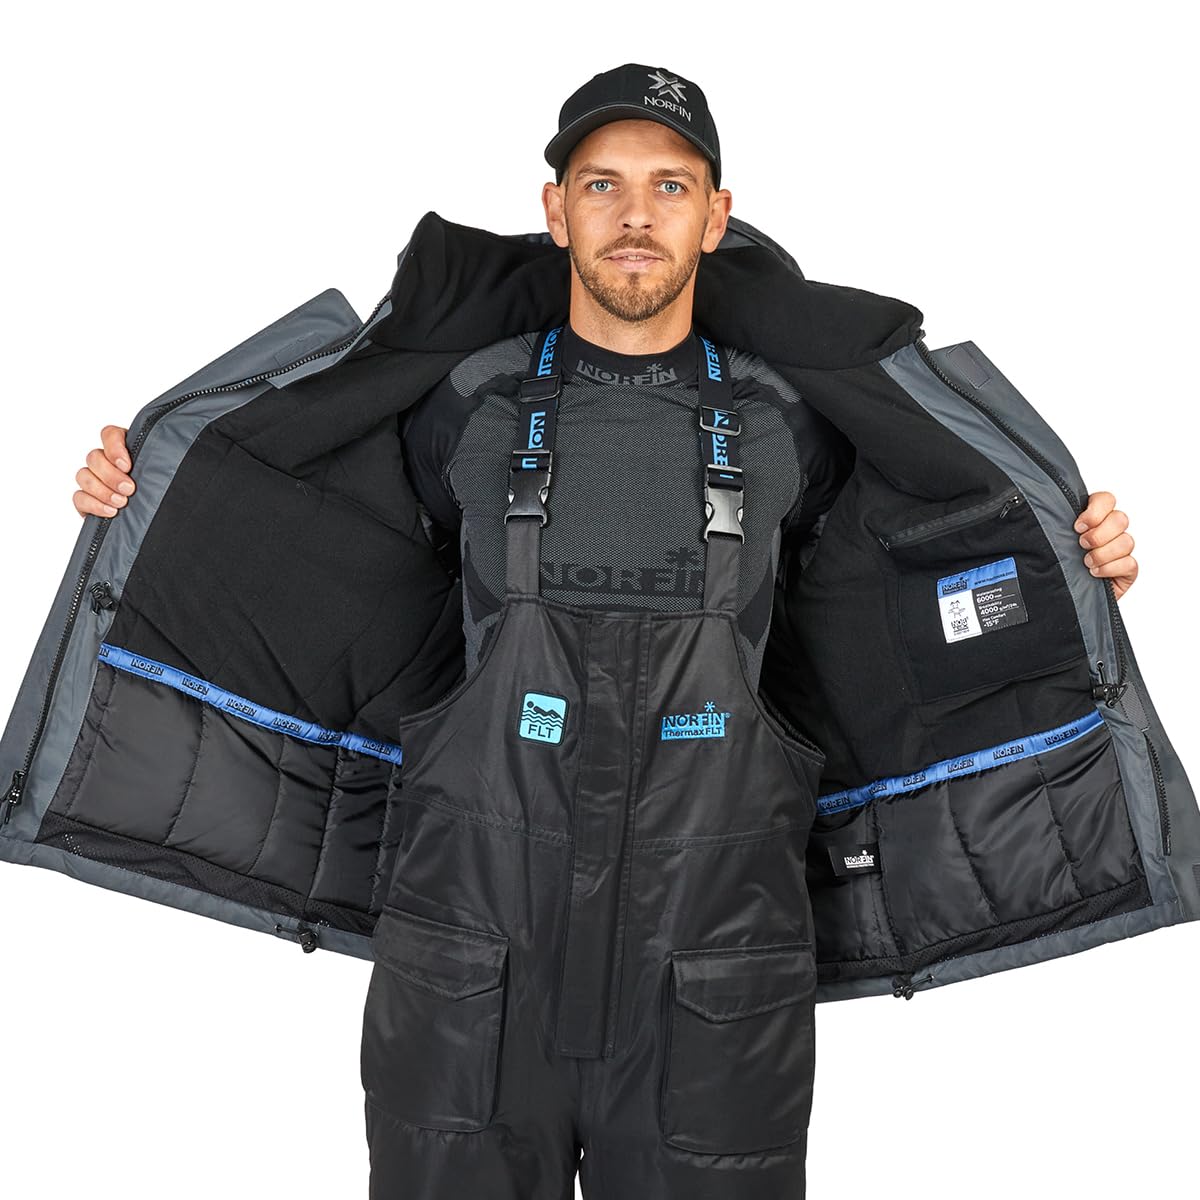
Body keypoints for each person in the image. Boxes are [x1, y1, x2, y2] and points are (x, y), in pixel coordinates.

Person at [64, 63, 1140, 1199]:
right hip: (467, 965)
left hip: (717, 983)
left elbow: (899, 591)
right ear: (556, 210)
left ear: (715, 216)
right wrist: (148, 493)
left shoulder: (789, 421)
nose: (635, 215)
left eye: (669, 186)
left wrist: (1070, 560)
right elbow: (307, 536)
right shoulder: (463, 399)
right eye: (602, 184)